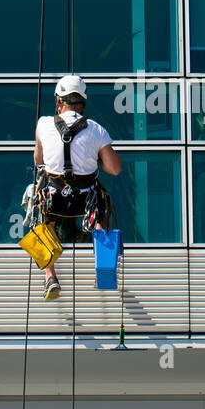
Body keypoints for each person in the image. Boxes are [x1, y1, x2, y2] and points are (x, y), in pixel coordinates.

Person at [32, 75, 121, 301]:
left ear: (59, 102)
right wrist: (96, 155)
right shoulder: (97, 130)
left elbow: (38, 160)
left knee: (43, 222)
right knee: (101, 217)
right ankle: (104, 270)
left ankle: (50, 277)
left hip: (54, 198)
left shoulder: (43, 124)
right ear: (82, 102)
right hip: (85, 199)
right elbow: (115, 169)